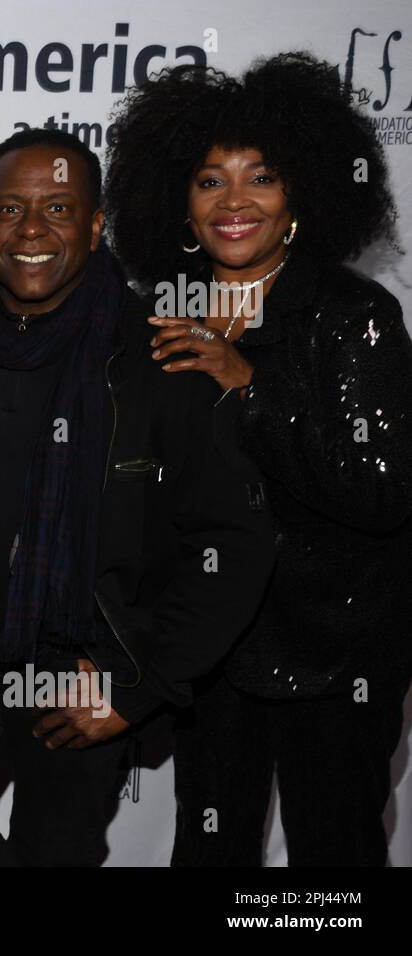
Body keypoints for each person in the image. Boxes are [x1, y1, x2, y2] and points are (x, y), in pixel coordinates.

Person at [0, 128, 276, 866]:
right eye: (10, 209)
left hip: (78, 669)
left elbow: (233, 542)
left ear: (96, 224)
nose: (33, 230)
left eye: (58, 208)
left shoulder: (159, 355)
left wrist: (134, 684)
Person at [106, 52, 412, 866]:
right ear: (179, 198)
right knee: (209, 850)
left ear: (300, 195)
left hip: (337, 649)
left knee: (335, 857)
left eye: (261, 179)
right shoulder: (158, 316)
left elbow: (383, 493)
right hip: (211, 646)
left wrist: (249, 388)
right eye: (210, 181)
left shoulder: (354, 315)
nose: (234, 202)